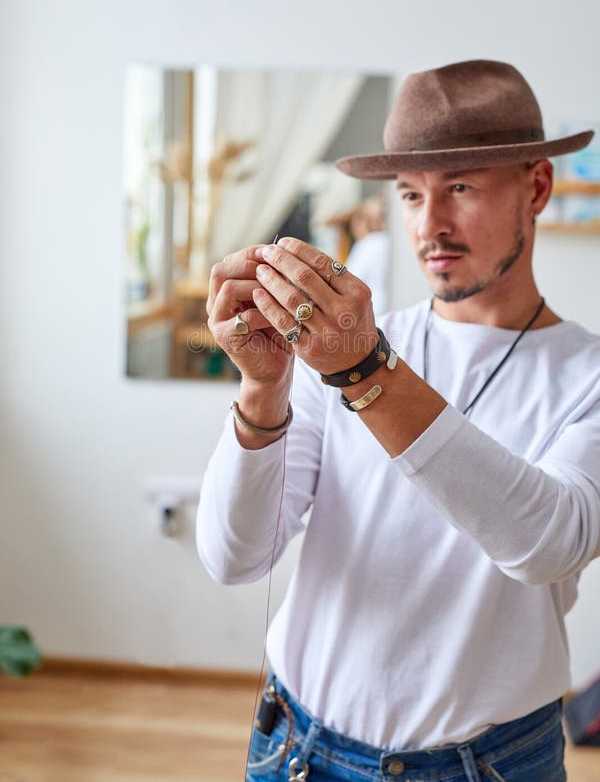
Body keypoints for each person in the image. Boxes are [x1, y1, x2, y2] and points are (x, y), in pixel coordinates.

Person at [197, 59, 600, 781]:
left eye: (461, 188)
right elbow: (234, 558)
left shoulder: (585, 376)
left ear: (536, 187)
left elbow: (550, 541)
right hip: (294, 745)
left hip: (487, 766)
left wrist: (363, 370)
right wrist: (263, 392)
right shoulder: (352, 346)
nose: (428, 225)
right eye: (410, 194)